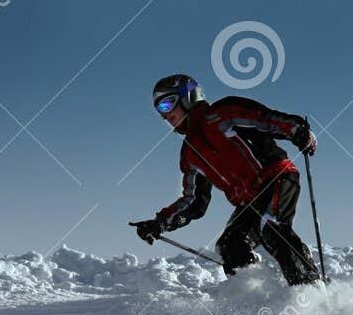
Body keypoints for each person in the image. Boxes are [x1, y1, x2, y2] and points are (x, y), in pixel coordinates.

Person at [130, 74, 322, 286]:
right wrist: (160, 223)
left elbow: (267, 120)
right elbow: (193, 202)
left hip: (276, 176)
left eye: (167, 104)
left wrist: (297, 131)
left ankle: (309, 288)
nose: (165, 114)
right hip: (249, 202)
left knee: (270, 226)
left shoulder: (224, 113)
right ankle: (258, 294)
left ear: (188, 97)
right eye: (159, 110)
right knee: (230, 246)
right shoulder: (190, 153)